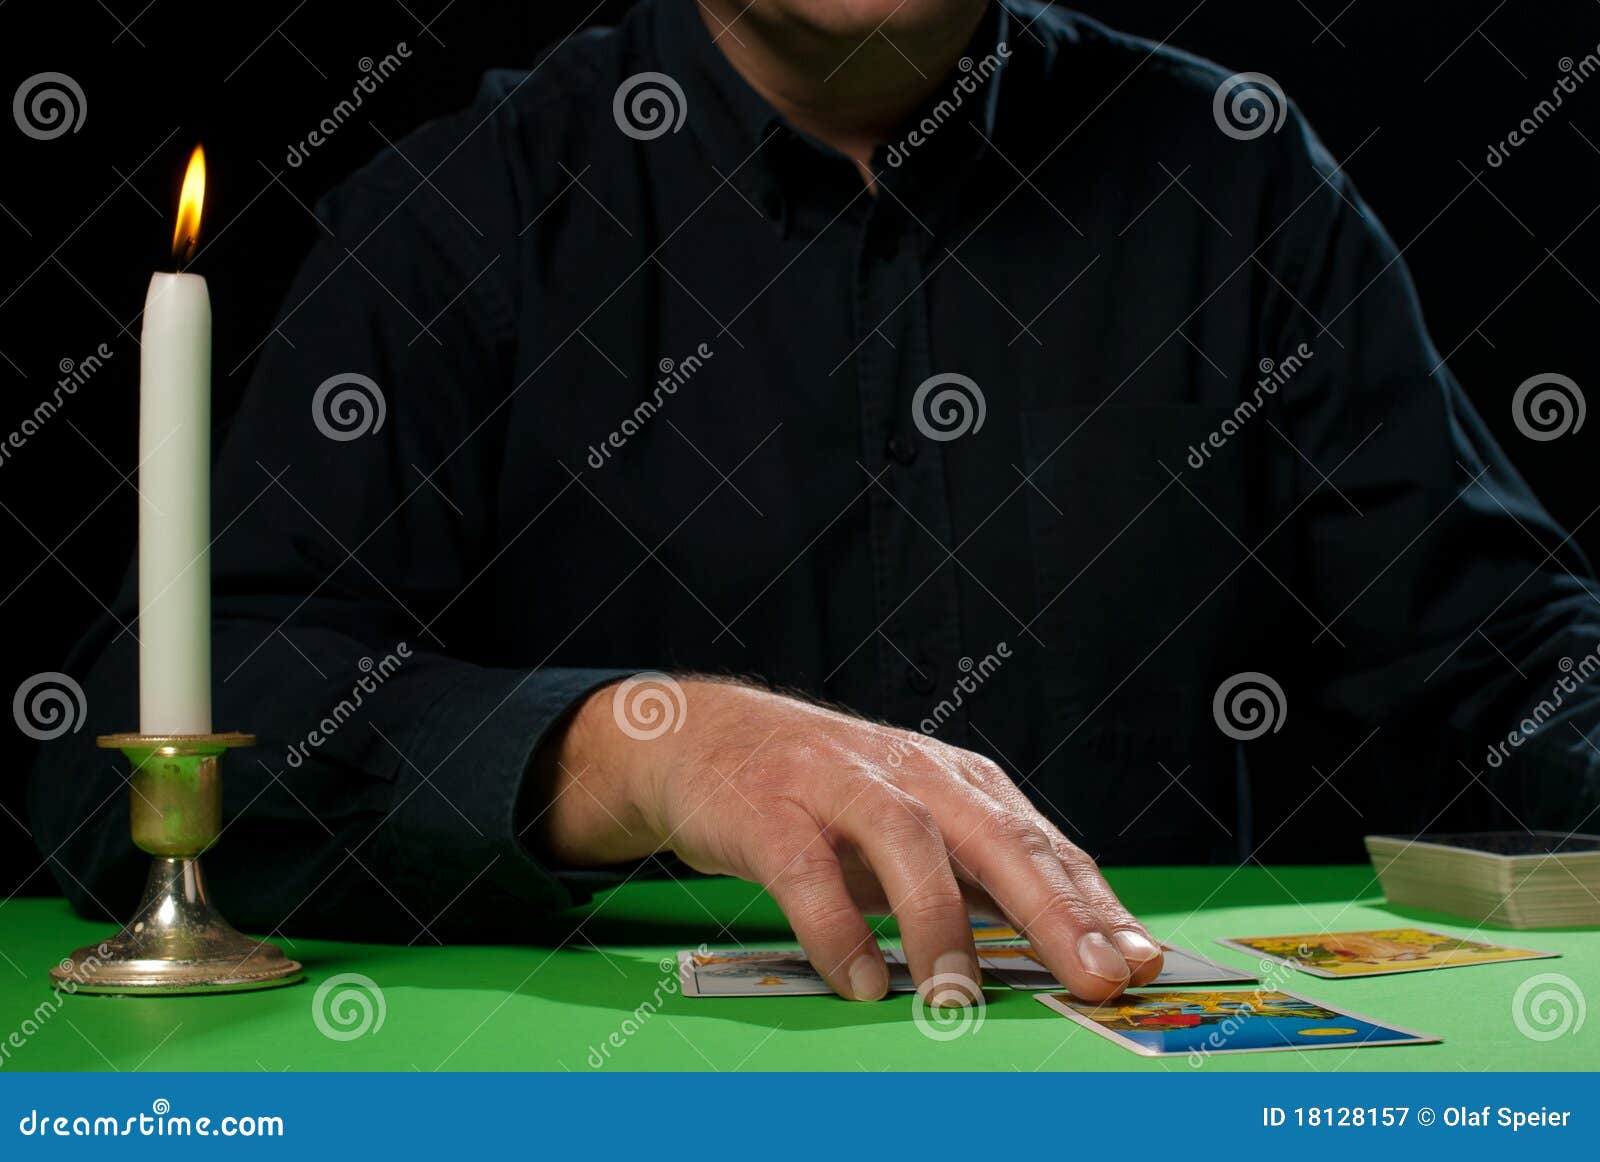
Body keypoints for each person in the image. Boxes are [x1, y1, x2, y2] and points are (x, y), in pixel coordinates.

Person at [30, 0, 1600, 1005]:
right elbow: (144, 746)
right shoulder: (467, 207)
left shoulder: (1235, 176)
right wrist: (641, 747)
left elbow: (1515, 660)